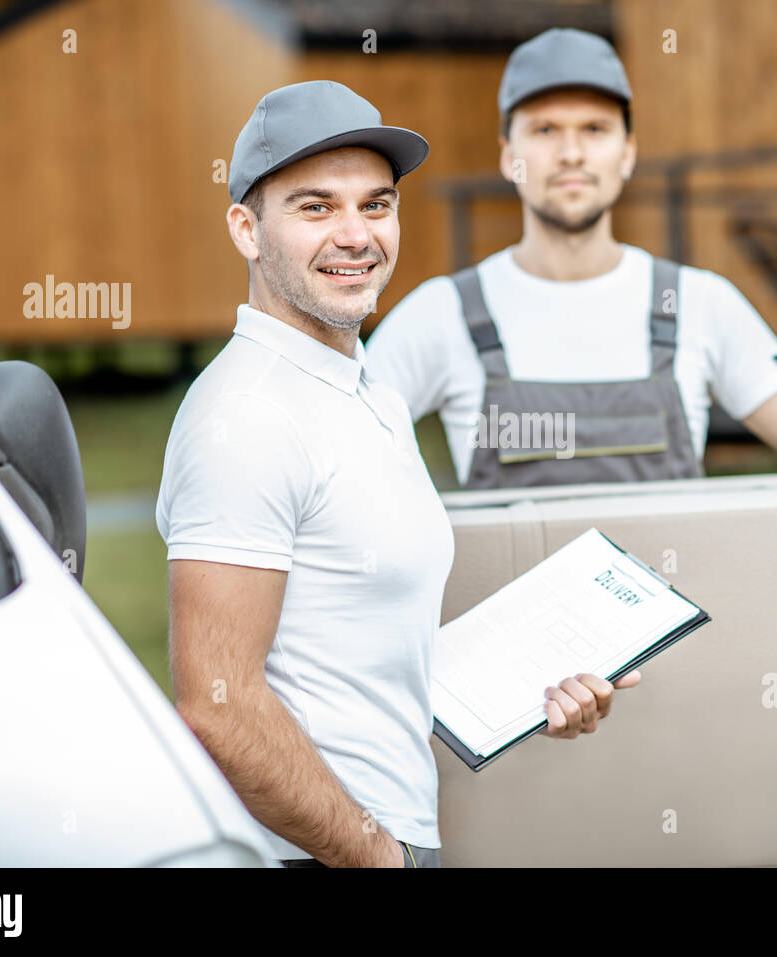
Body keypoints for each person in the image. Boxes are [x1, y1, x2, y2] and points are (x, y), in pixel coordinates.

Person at [155, 81, 639, 870]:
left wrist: (536, 684)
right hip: (316, 851)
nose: (356, 235)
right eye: (316, 208)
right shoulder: (244, 417)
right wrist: (380, 855)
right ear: (245, 228)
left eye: (376, 205)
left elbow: (362, 633)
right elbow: (220, 706)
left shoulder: (363, 384)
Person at [365, 28, 777, 586]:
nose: (571, 152)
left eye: (595, 130)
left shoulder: (700, 305)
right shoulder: (443, 314)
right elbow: (339, 465)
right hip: (511, 665)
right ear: (510, 157)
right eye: (545, 130)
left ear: (627, 154)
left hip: (674, 653)